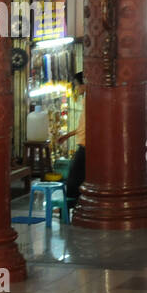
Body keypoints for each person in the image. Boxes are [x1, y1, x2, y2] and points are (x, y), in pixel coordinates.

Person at [57, 71, 86, 207]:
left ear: (84, 85)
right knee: (78, 177)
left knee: (73, 178)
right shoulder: (87, 100)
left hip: (87, 146)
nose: (76, 88)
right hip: (84, 144)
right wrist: (67, 135)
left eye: (77, 85)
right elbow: (83, 127)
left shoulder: (90, 101)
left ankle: (68, 207)